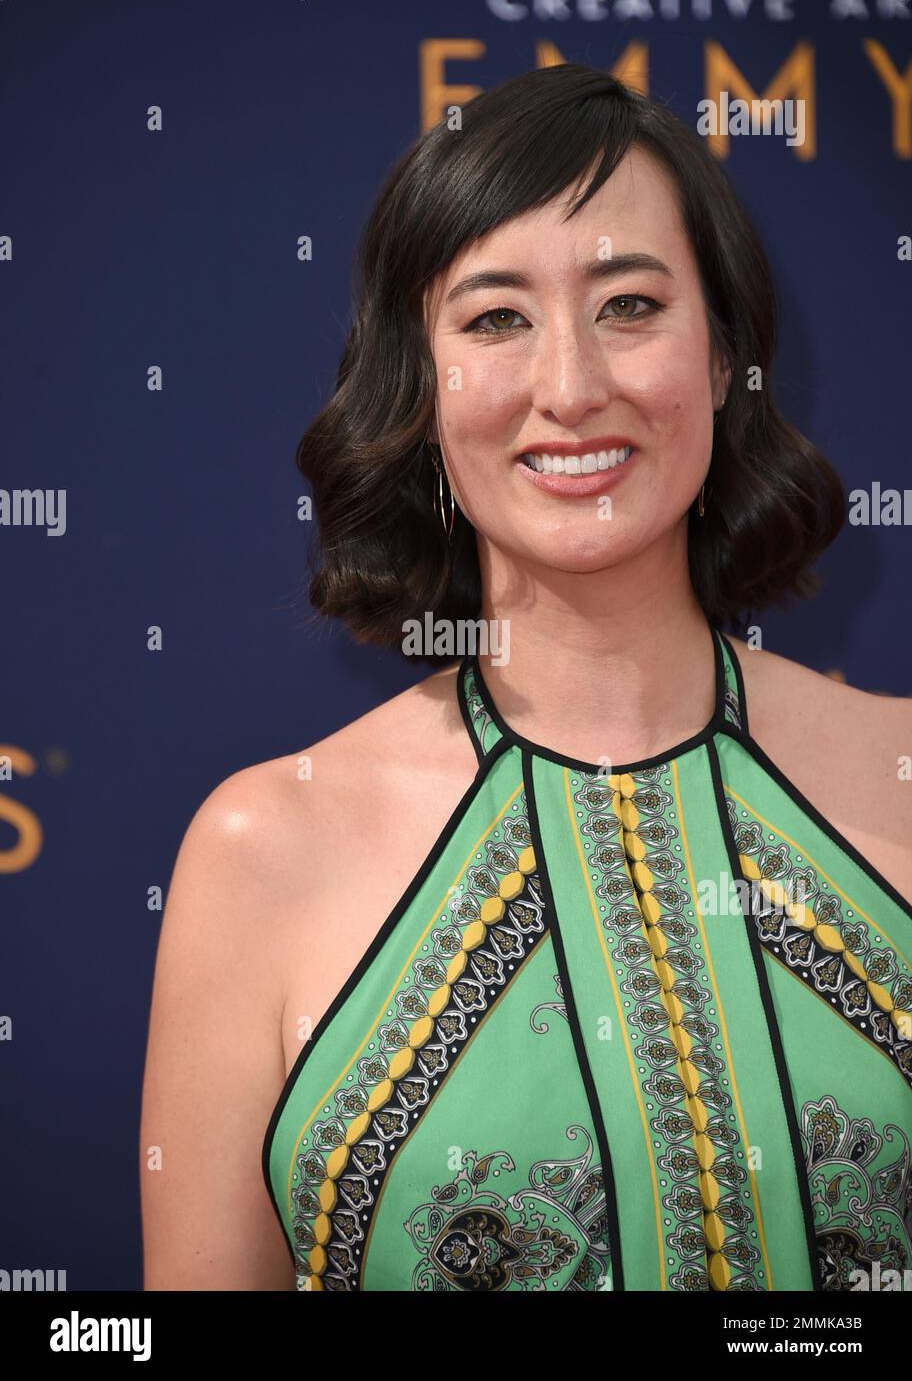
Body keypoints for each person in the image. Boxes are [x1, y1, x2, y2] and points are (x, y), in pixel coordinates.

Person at [140, 64, 912, 1292]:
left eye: (629, 304)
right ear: (421, 391)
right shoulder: (259, 850)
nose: (570, 387)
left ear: (723, 358)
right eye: (496, 317)